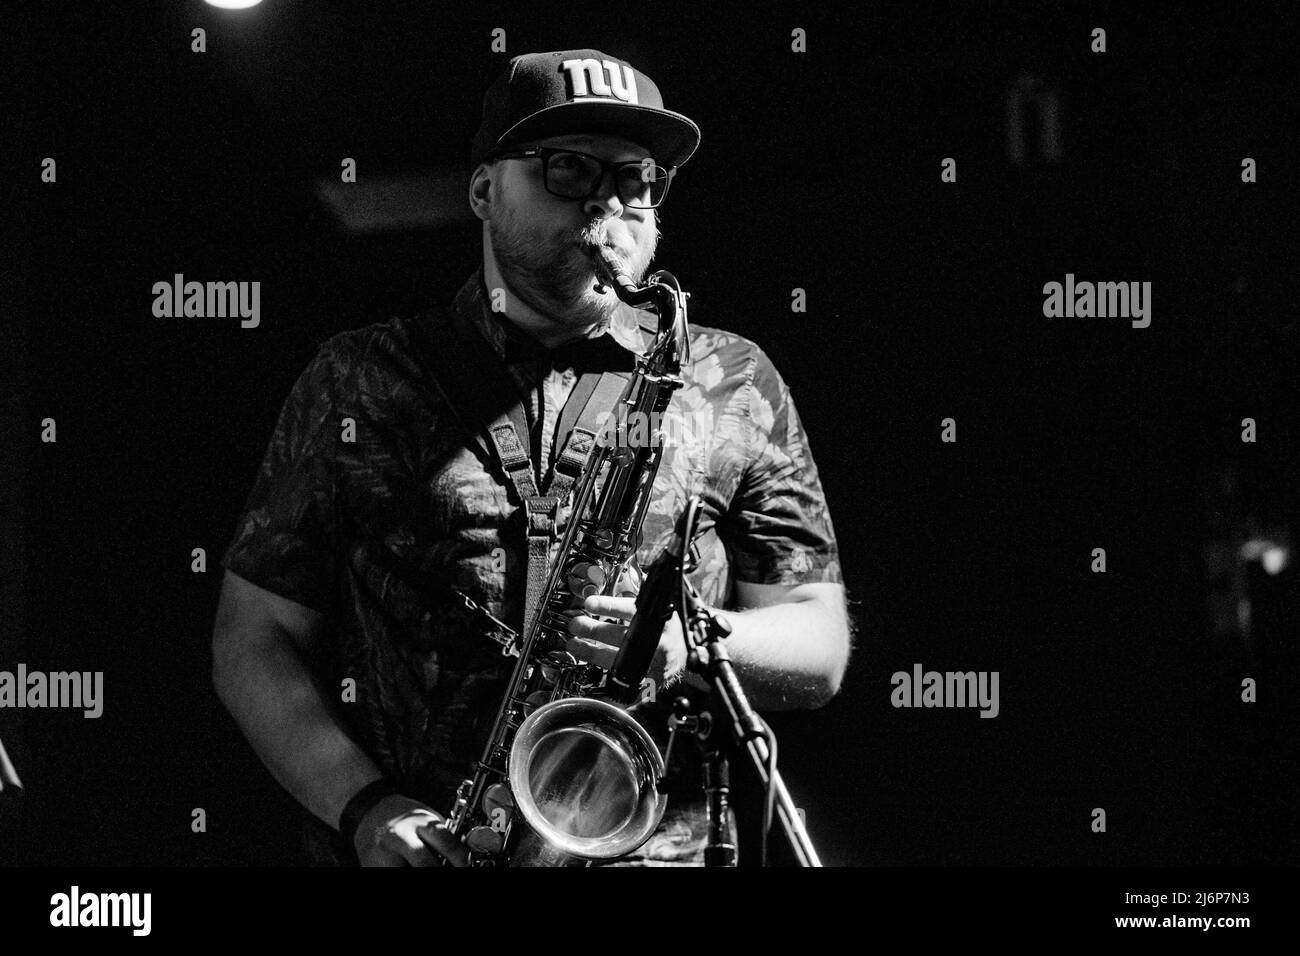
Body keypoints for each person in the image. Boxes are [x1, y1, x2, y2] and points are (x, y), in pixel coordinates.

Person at [212, 48, 850, 867]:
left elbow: (819, 644)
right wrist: (367, 808)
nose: (610, 200)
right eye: (569, 166)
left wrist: (691, 644)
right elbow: (251, 639)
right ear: (483, 190)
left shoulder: (732, 380)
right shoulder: (359, 379)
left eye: (638, 178)